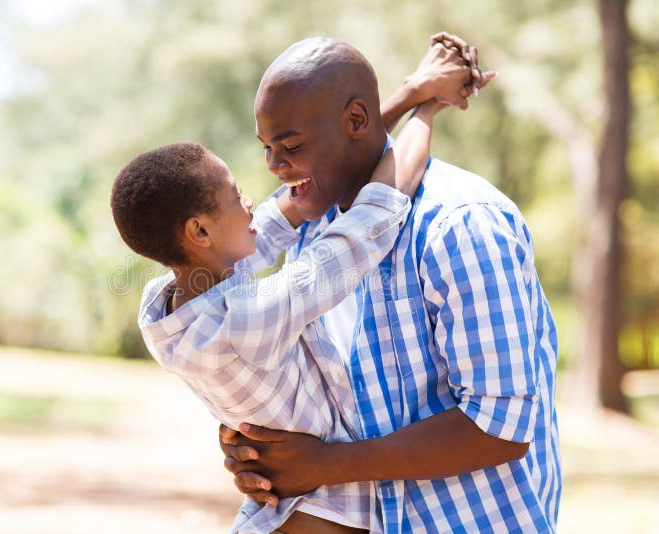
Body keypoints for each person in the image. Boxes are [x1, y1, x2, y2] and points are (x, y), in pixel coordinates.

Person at [218, 36, 561, 533]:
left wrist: (323, 465)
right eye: (267, 149)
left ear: (357, 121)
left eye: (290, 147)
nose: (274, 166)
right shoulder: (317, 230)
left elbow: (500, 428)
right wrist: (257, 447)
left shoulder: (460, 224)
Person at [112, 94, 448, 533]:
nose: (251, 202)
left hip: (286, 515)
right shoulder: (248, 319)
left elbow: (282, 213)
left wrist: (410, 91)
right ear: (199, 230)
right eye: (235, 196)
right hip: (321, 514)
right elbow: (372, 219)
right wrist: (428, 110)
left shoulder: (169, 311)